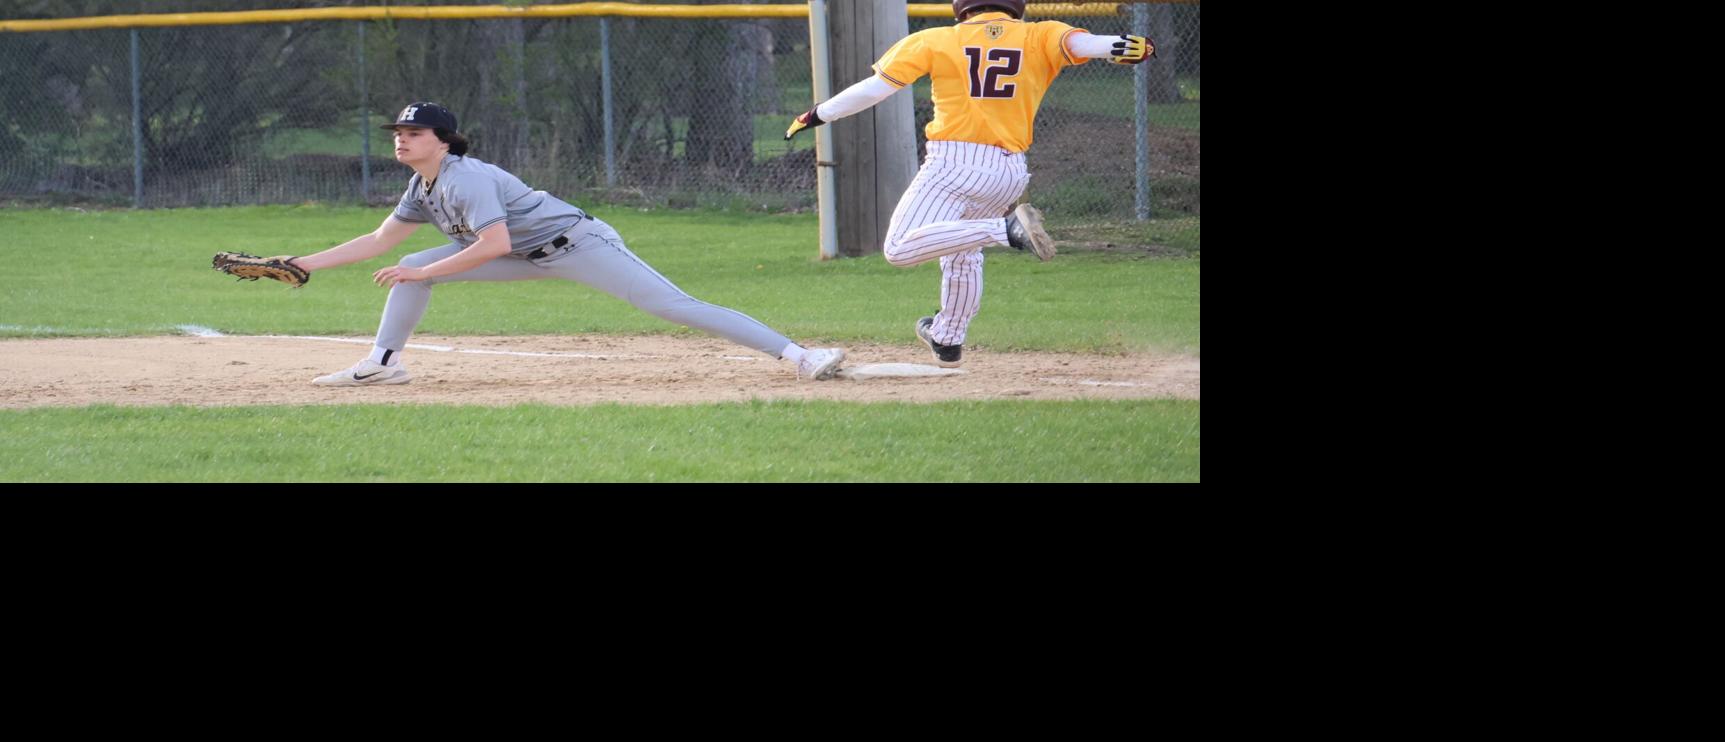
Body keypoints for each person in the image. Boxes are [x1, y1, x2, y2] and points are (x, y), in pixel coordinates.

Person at [272, 102, 845, 386]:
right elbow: (380, 240)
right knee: (414, 259)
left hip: (580, 245)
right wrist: (304, 263)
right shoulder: (423, 183)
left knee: (673, 307)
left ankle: (800, 356)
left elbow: (492, 242)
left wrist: (424, 274)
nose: (401, 140)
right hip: (526, 254)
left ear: (442, 140)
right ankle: (382, 364)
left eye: (413, 133)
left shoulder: (464, 177)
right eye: (398, 134)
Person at [785, 0, 1153, 367]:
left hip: (954, 163)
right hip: (1009, 171)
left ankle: (1007, 231)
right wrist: (1124, 45)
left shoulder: (937, 39)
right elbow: (1085, 45)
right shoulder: (1039, 34)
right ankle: (947, 338)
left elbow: (874, 89)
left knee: (898, 249)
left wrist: (818, 113)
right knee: (963, 250)